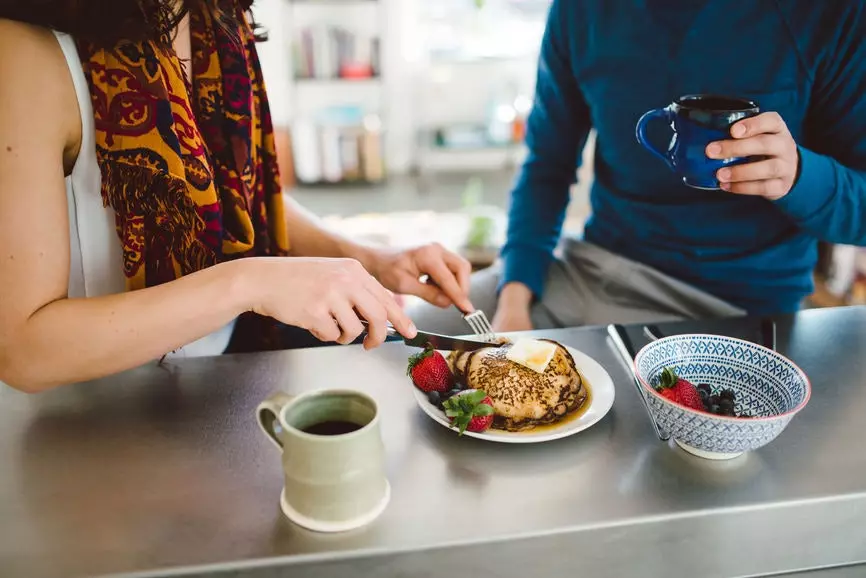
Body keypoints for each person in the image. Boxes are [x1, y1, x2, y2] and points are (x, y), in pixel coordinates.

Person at [0, 0, 474, 393]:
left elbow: (222, 199)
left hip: (214, 377)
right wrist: (251, 284)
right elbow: (23, 352)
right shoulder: (22, 53)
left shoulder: (216, 21)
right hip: (93, 413)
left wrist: (367, 256)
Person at [411, 0, 866, 335]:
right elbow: (546, 168)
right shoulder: (579, 13)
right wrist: (515, 299)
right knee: (410, 340)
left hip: (742, 309)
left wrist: (800, 176)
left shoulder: (830, 16)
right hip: (596, 272)